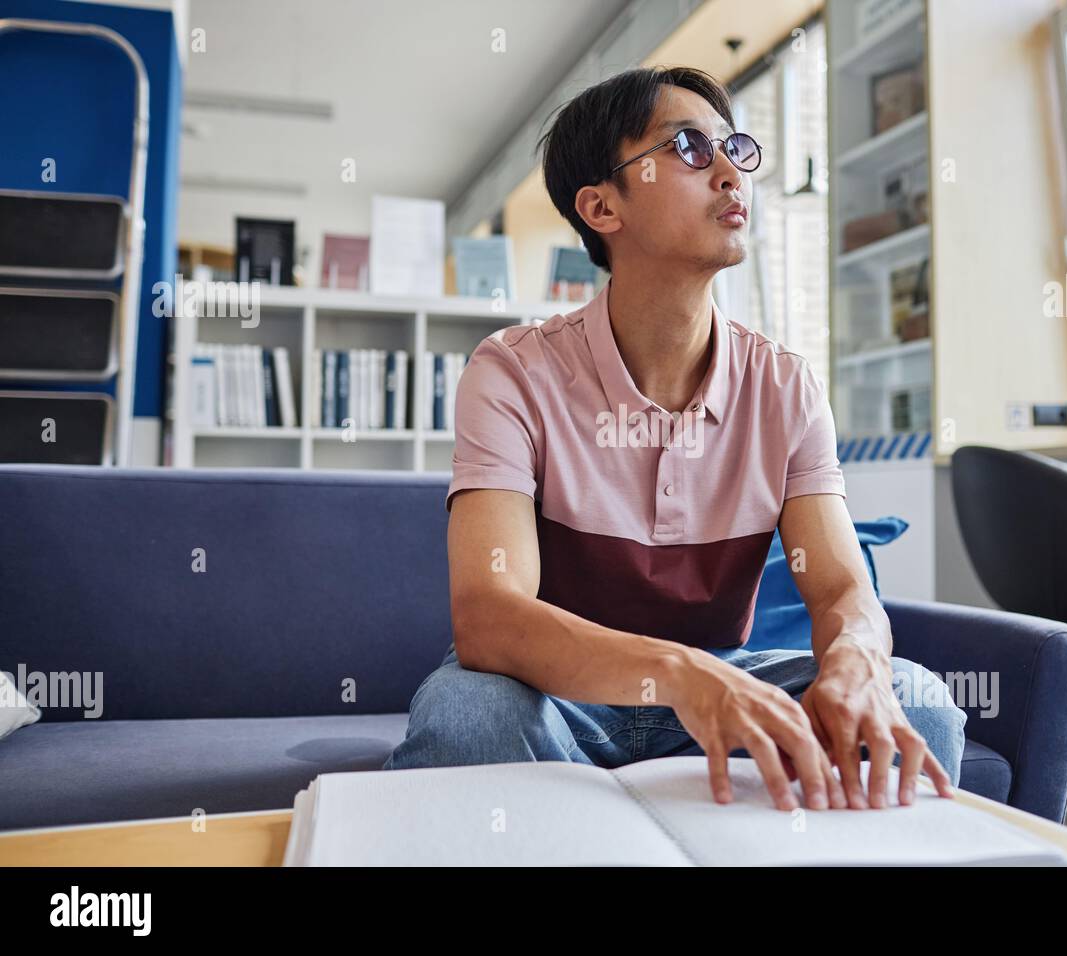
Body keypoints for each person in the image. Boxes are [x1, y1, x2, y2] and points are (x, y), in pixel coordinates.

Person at [386, 66, 966, 813]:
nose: (731, 174)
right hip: (556, 698)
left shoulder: (784, 387)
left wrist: (855, 661)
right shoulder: (511, 373)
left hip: (728, 676)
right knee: (466, 714)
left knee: (913, 697)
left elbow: (841, 588)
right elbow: (489, 619)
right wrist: (683, 674)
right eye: (690, 148)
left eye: (736, 149)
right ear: (601, 206)